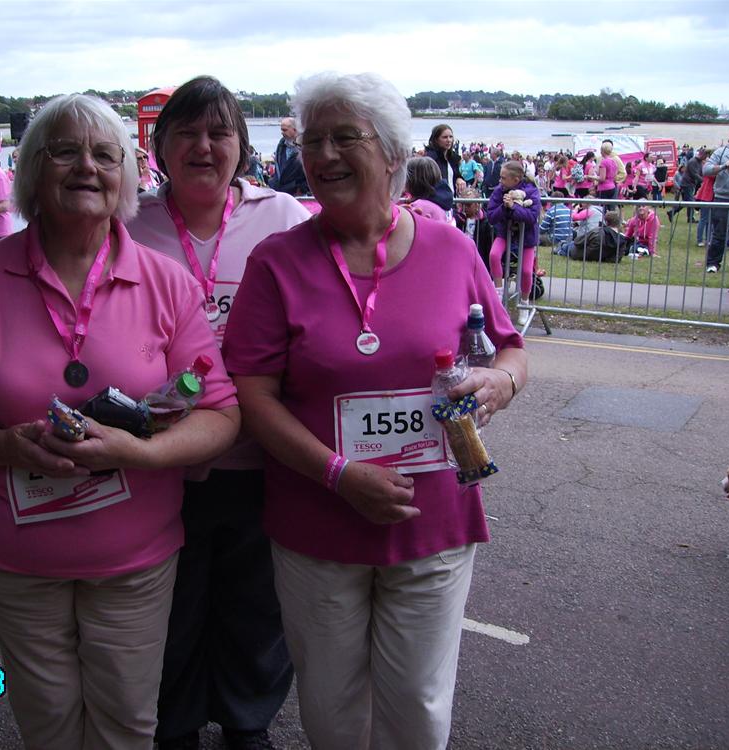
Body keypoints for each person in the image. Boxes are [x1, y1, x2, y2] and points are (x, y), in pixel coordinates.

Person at [0, 93, 241, 750]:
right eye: (64, 152)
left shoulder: (166, 282)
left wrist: (141, 453)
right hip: (17, 560)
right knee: (48, 723)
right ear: (32, 170)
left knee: (127, 725)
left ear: (126, 176)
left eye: (105, 155)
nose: (87, 167)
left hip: (135, 560)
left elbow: (220, 412)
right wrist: (2, 444)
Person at [222, 71, 527, 750]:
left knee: (417, 707)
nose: (324, 154)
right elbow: (253, 394)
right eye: (314, 140)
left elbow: (510, 348)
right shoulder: (277, 262)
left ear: (392, 153)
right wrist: (337, 474)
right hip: (317, 522)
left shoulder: (450, 248)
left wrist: (502, 382)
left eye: (345, 137)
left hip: (433, 522)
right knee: (333, 709)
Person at [126, 75, 308, 750]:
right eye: (187, 132)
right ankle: (173, 724)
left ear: (242, 146)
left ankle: (245, 722)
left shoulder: (283, 216)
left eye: (219, 132)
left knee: (257, 604)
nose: (203, 146)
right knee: (169, 605)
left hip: (262, 452)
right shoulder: (128, 222)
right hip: (162, 455)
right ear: (160, 147)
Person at [486, 160, 542, 325]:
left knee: (526, 271)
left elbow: (532, 217)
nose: (500, 181)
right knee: (494, 255)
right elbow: (491, 216)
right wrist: (504, 207)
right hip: (505, 233)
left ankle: (524, 303)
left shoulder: (532, 191)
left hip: (526, 237)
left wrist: (514, 207)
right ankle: (498, 292)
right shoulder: (499, 191)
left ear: (515, 180)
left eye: (503, 178)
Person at [702, 123, 729, 273]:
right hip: (723, 197)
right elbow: (706, 170)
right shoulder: (721, 152)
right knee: (720, 233)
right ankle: (713, 263)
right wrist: (724, 166)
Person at [270, 117, 308, 196]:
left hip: (297, 194)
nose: (282, 133)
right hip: (280, 192)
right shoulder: (281, 145)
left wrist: (302, 188)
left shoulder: (305, 147)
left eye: (285, 130)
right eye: (281, 130)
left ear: (294, 130)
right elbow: (278, 170)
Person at [424, 123, 465, 195]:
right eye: (445, 137)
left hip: (451, 198)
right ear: (436, 139)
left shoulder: (453, 159)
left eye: (450, 137)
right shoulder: (430, 159)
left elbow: (454, 175)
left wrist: (459, 178)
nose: (449, 140)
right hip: (435, 198)